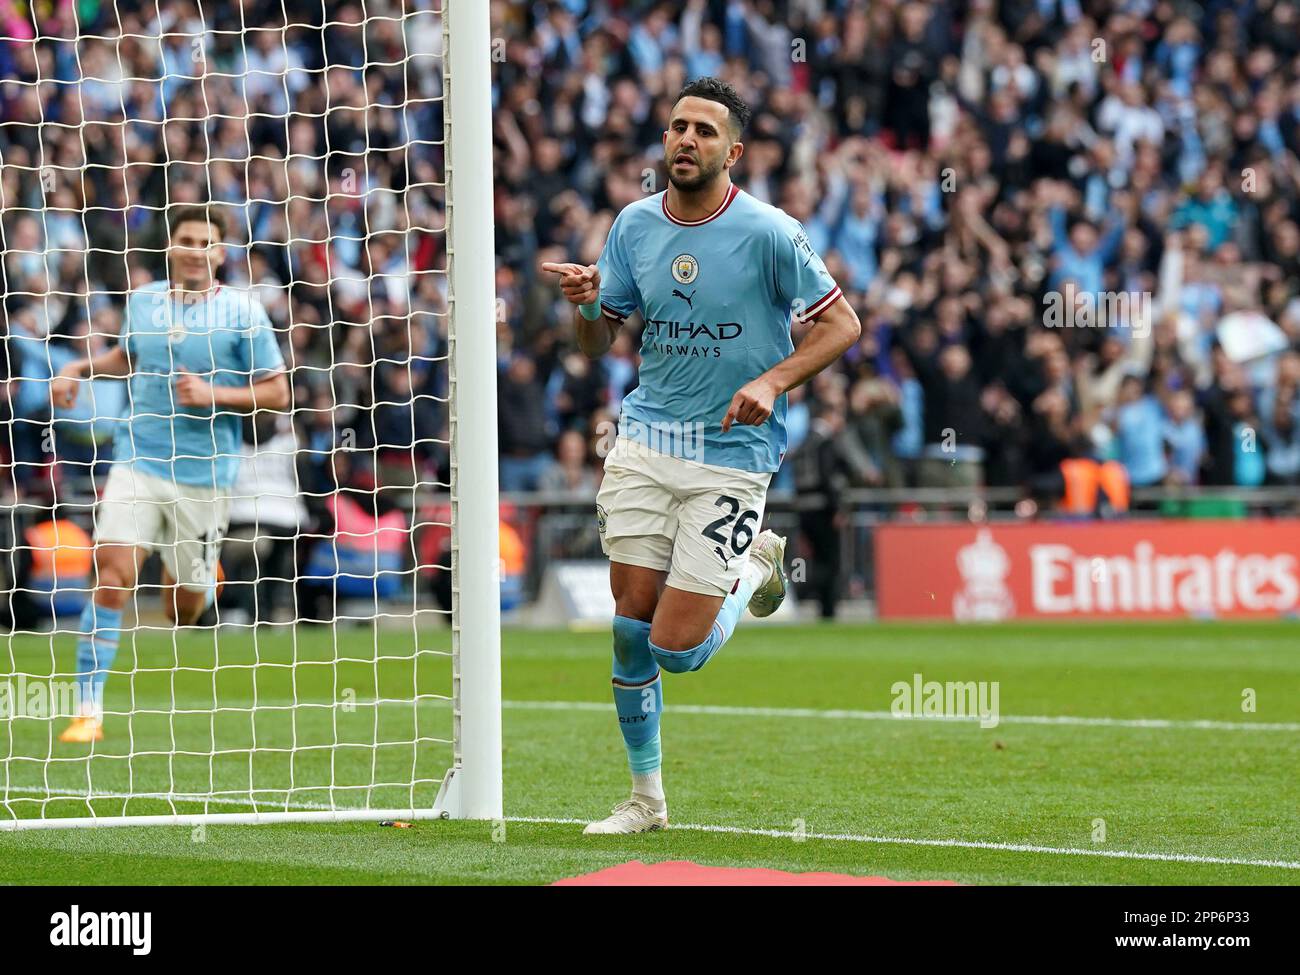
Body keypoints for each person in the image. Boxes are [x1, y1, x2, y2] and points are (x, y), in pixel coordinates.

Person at [542, 77, 860, 834]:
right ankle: (645, 799)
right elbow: (596, 341)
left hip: (731, 453)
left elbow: (842, 324)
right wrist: (587, 303)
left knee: (675, 651)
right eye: (677, 128)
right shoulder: (633, 225)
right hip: (648, 441)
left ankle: (753, 567)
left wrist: (772, 379)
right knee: (629, 624)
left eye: (704, 132)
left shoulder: (770, 232)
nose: (685, 140)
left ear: (733, 151)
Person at [49, 204, 290, 742]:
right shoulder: (144, 302)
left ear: (220, 253)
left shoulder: (244, 314)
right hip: (138, 456)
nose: (195, 250)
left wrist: (215, 396)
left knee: (182, 610)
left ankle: (200, 579)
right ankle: (88, 710)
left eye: (206, 242)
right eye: (186, 239)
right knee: (111, 576)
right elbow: (129, 358)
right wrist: (78, 368)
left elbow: (277, 391)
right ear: (171, 247)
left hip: (205, 474)